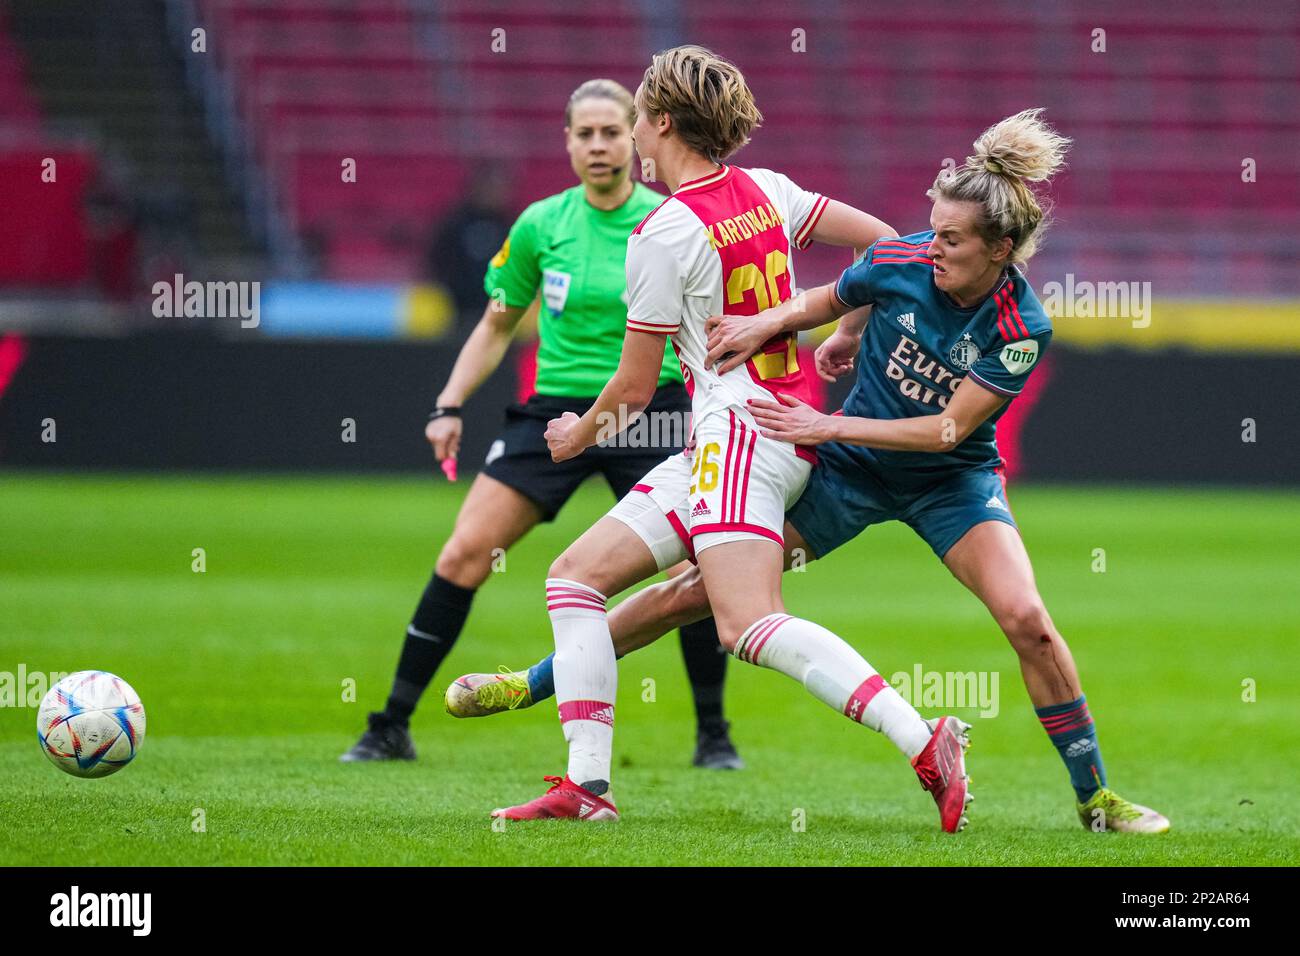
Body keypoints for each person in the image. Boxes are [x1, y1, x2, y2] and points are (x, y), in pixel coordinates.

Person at [460, 108, 1170, 835]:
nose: (935, 251)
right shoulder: (906, 260)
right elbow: (829, 296)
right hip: (853, 473)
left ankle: (1096, 800)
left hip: (950, 482)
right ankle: (536, 682)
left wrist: (826, 422)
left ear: (1003, 249)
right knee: (695, 595)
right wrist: (817, 330)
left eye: (952, 241)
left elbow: (948, 428)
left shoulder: (1023, 325)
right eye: (932, 231)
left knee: (1029, 622)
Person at [488, 46, 973, 833]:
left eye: (639, 116)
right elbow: (888, 243)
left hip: (742, 437)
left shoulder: (664, 231)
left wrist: (578, 435)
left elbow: (636, 388)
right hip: (760, 434)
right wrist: (844, 329)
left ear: (664, 123)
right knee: (574, 579)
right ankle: (586, 787)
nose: (635, 134)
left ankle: (925, 742)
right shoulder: (767, 189)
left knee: (745, 622)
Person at [340, 78, 744, 770]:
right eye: (583, 133)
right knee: (465, 552)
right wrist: (447, 404)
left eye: (611, 131)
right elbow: (496, 326)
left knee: (701, 567)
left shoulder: (675, 221)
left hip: (650, 414)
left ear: (638, 135)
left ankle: (713, 736)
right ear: (566, 141)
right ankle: (390, 725)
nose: (597, 145)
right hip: (551, 414)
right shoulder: (539, 225)